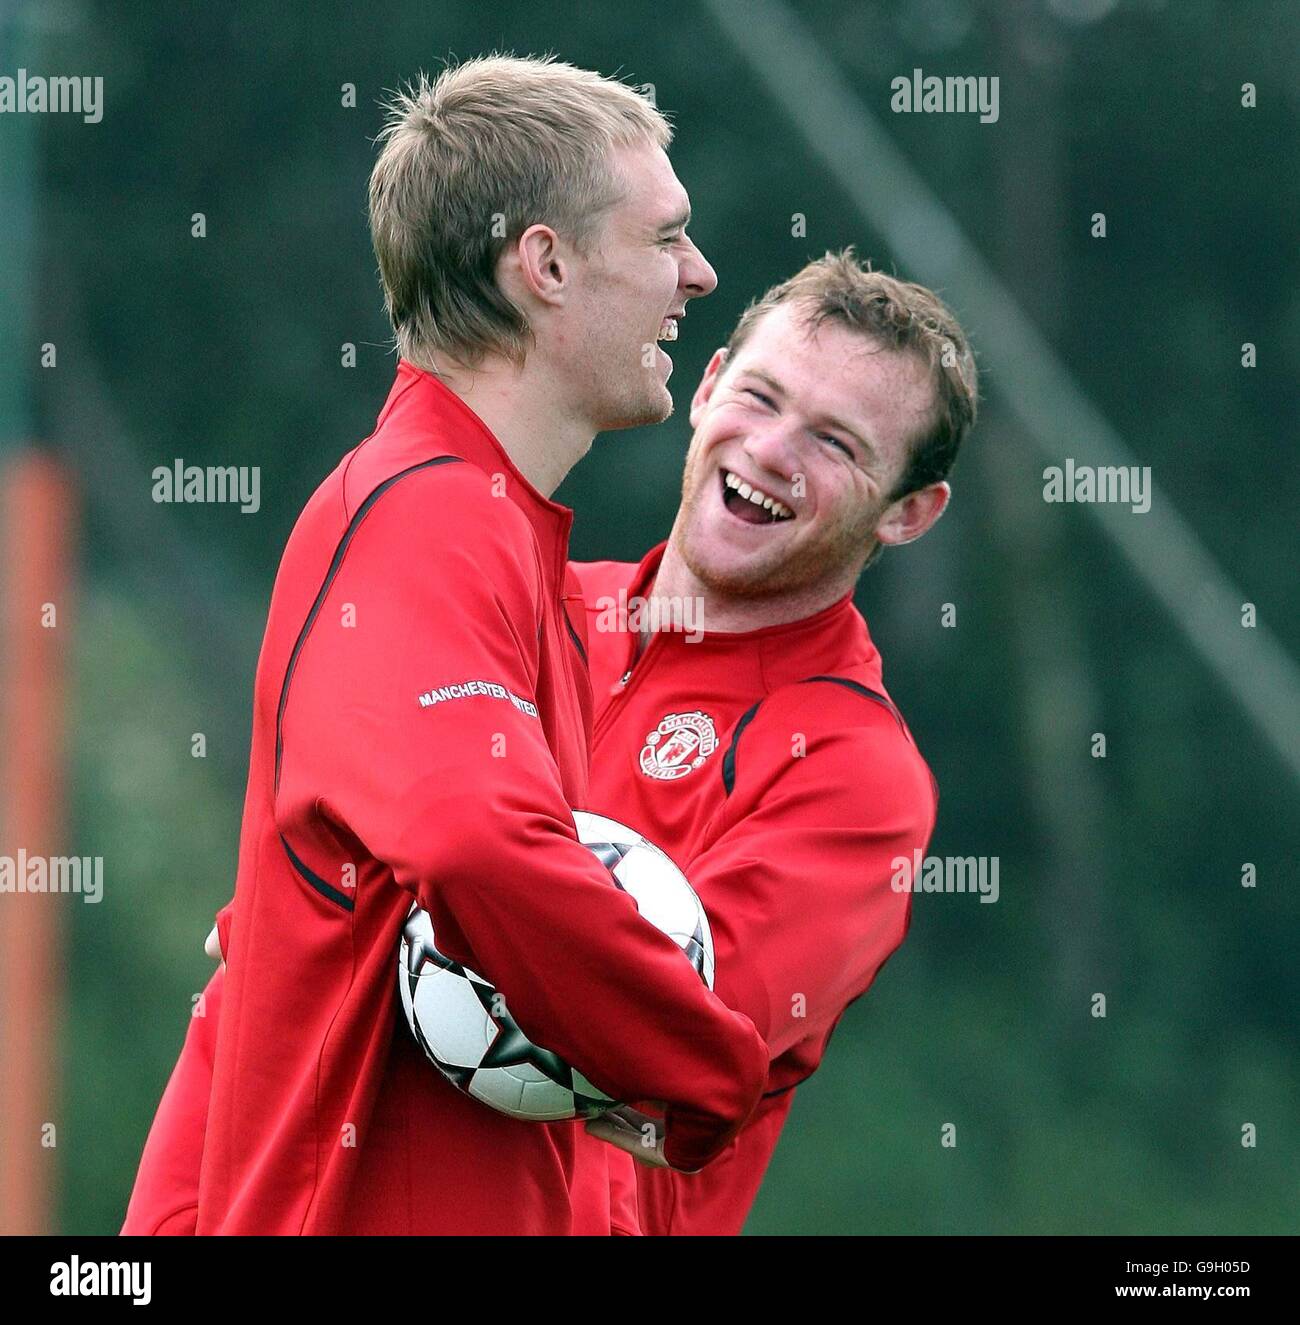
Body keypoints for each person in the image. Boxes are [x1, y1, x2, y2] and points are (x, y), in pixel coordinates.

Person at [122, 250, 978, 1236]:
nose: (774, 448)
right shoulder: (525, 597)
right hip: (264, 1181)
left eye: (836, 441)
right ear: (705, 388)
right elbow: (300, 910)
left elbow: (627, 1038)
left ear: (910, 512)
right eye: (761, 394)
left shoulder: (856, 780)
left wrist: (444, 872)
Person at [130, 54, 772, 1237]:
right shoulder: (423, 517)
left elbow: (262, 958)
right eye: (667, 236)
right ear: (546, 266)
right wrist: (699, 1069)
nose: (699, 273)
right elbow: (477, 840)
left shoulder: (484, 526)